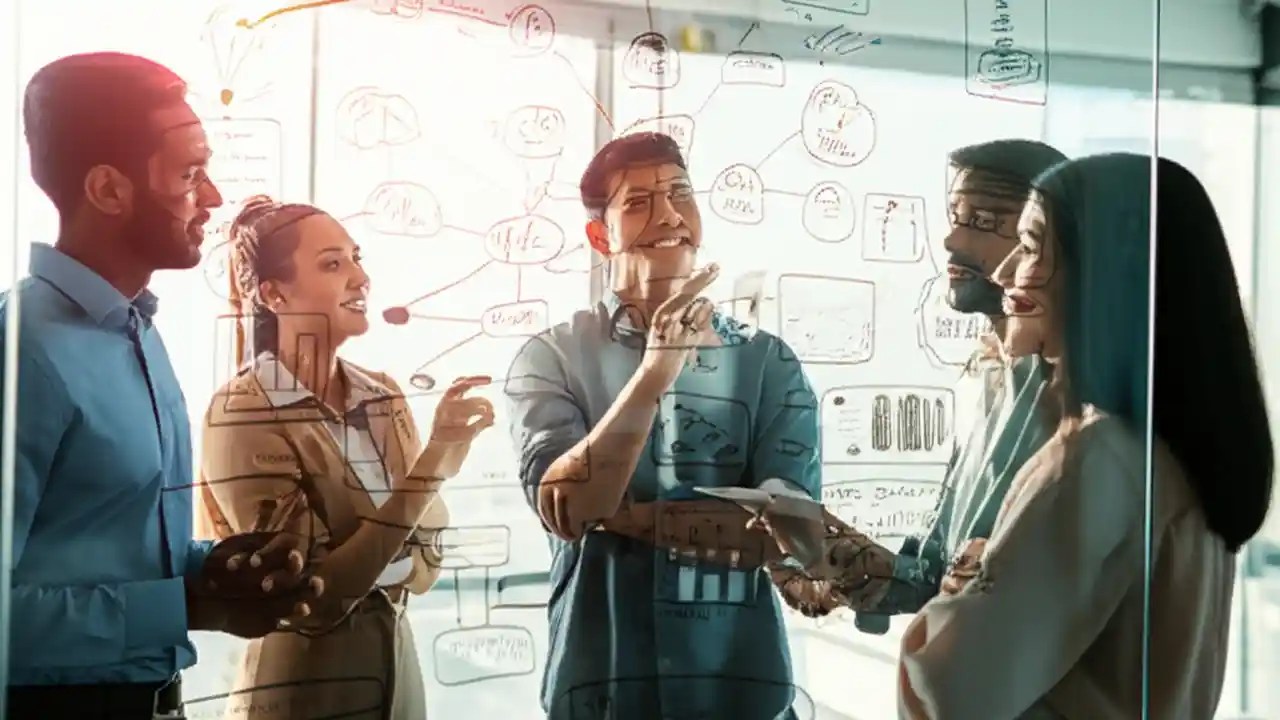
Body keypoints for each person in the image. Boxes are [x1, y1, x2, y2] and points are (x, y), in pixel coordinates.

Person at [891, 154, 1273, 718]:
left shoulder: (1096, 461)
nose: (1003, 274)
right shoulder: (1176, 457)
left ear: (1104, 273)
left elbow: (954, 688)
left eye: (1030, 245)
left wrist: (963, 582)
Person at [4, 52, 320, 720]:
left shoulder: (138, 329)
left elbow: (101, 540)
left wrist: (210, 567)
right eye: (190, 173)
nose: (211, 198)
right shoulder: (22, 352)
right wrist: (184, 605)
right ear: (109, 191)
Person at [503, 132, 823, 719]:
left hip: (741, 691)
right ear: (601, 236)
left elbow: (785, 533)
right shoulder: (549, 357)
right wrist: (654, 373)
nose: (670, 215)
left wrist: (624, 518)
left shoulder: (767, 361)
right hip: (601, 688)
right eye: (639, 202)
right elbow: (570, 507)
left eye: (680, 193)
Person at [195, 195, 495, 719]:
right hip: (302, 689)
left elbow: (425, 562)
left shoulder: (382, 394)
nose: (360, 277)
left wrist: (375, 547)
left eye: (356, 258)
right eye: (333, 263)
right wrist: (433, 464)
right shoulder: (243, 408)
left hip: (399, 672)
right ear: (273, 293)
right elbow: (312, 601)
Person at [768, 139, 1069, 624]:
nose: (952, 241)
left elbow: (992, 595)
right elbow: (931, 578)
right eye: (955, 215)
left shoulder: (1065, 399)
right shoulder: (986, 385)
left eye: (987, 222)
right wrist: (817, 550)